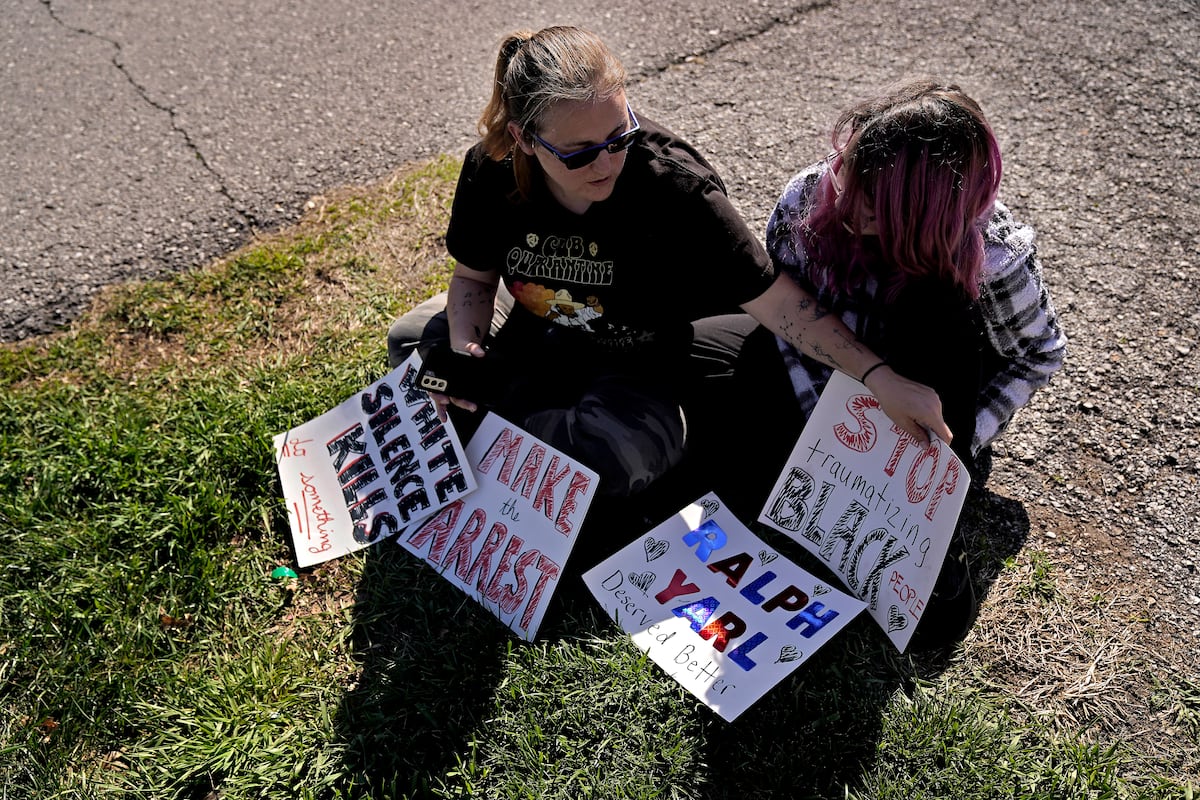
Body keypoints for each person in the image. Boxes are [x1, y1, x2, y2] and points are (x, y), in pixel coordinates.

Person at [387, 27, 950, 557]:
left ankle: (496, 432)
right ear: (524, 140)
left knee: (613, 455)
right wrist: (466, 356)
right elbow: (473, 279)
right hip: (537, 329)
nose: (607, 161)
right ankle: (510, 429)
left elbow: (777, 301)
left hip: (641, 357)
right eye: (580, 153)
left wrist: (878, 377)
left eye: (619, 135)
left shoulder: (674, 186)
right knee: (412, 339)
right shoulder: (493, 169)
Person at [760, 78, 1068, 647]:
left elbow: (1038, 353)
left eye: (875, 208)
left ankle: (926, 520)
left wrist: (961, 438)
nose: (846, 207)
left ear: (930, 214)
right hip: (824, 384)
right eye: (845, 179)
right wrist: (819, 433)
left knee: (935, 626)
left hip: (920, 413)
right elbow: (783, 314)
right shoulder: (809, 197)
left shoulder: (990, 254)